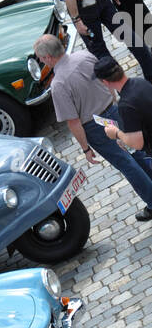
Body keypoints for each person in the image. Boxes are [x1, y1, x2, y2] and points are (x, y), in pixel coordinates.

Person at [32, 34, 152, 220]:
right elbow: (107, 81)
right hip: (114, 110)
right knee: (139, 152)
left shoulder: (59, 84)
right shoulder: (84, 56)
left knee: (126, 164)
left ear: (48, 57)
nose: (40, 60)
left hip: (96, 126)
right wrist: (112, 101)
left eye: (40, 57)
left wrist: (86, 148)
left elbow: (73, 121)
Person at [96, 57, 152, 176]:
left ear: (105, 82)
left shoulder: (126, 105)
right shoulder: (140, 82)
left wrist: (117, 133)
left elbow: (137, 143)